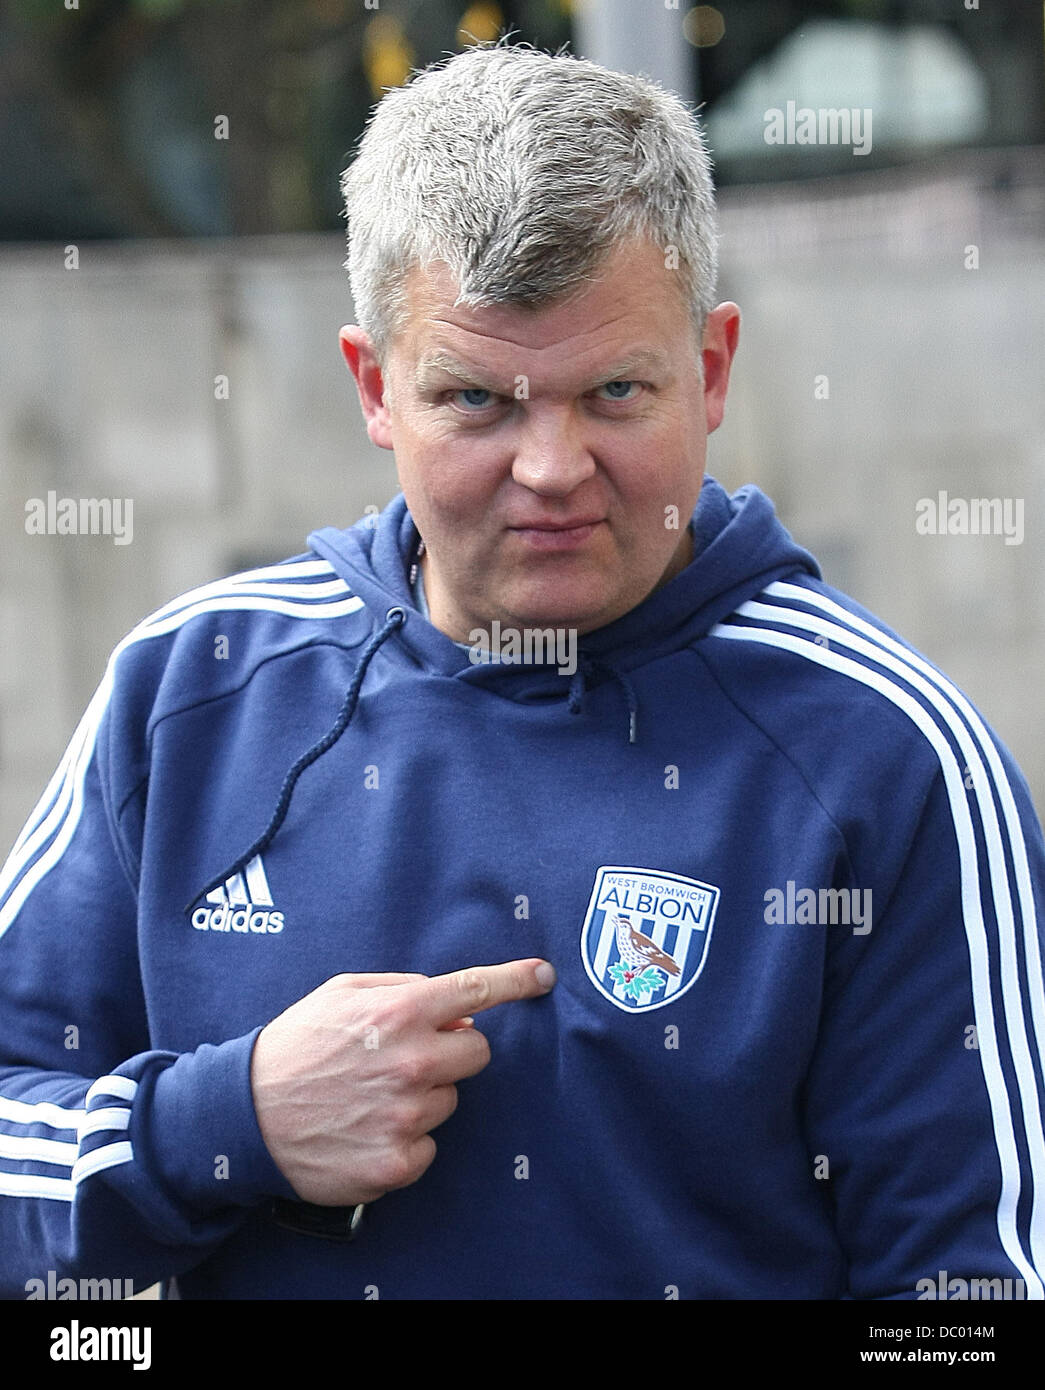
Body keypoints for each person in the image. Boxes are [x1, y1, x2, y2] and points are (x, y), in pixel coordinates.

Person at [1, 41, 1043, 1303]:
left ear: (708, 372)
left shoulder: (890, 759)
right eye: (478, 401)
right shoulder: (188, 697)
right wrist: (228, 1122)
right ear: (374, 386)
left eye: (613, 391)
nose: (551, 467)